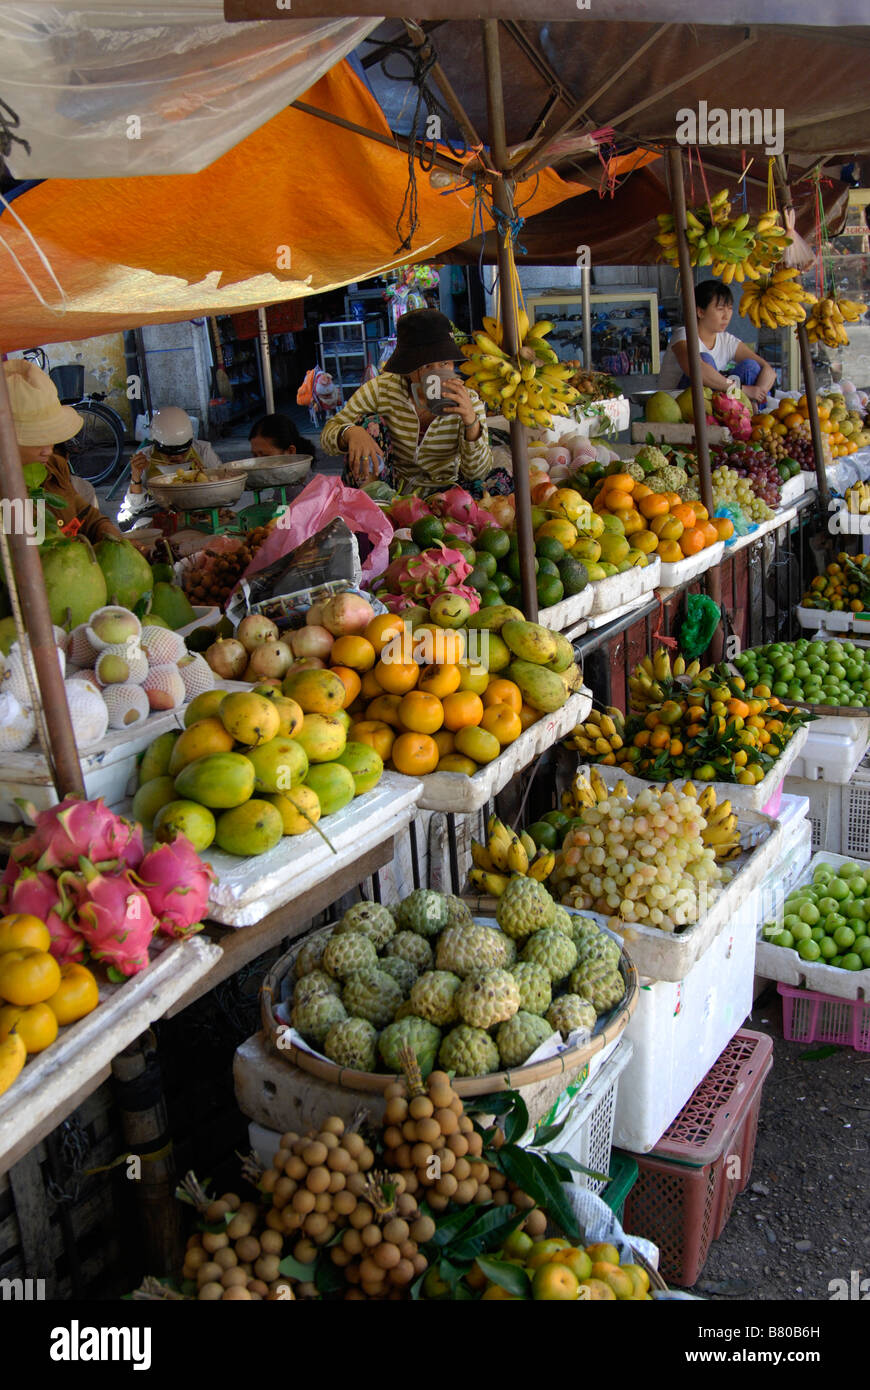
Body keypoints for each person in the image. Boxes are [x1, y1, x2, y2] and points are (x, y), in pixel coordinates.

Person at [320, 308, 493, 494]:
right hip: (393, 491)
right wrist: (350, 432)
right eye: (426, 365)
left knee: (495, 485)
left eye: (444, 363)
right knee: (368, 424)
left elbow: (477, 473)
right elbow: (327, 435)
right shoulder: (382, 390)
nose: (436, 373)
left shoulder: (468, 401)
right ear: (407, 367)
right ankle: (372, 508)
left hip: (446, 493)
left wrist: (470, 423)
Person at [3, 359, 121, 542]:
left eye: (49, 438)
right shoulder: (6, 496)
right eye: (37, 440)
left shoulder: (55, 468)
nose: (48, 450)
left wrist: (118, 541)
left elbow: (86, 517)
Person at [658, 280, 777, 404]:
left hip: (717, 399)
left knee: (750, 366)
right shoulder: (684, 335)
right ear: (700, 312)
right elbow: (698, 370)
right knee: (704, 359)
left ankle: (754, 414)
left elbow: (768, 370)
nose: (726, 316)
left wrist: (758, 392)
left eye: (730, 309)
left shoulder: (727, 340)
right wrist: (740, 390)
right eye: (720, 309)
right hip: (678, 404)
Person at [119, 406, 223, 525]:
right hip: (161, 513)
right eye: (169, 454)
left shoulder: (203, 451)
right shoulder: (145, 457)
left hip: (199, 510)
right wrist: (136, 477)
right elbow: (136, 506)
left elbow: (222, 488)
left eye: (183, 453)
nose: (178, 458)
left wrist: (206, 474)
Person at [248, 413, 315, 461]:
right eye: (255, 456)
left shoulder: (318, 481)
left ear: (290, 452)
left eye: (266, 456)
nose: (257, 464)